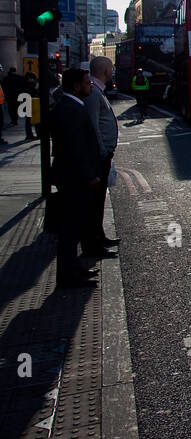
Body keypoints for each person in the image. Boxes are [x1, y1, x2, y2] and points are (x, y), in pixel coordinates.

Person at [48, 68, 103, 288]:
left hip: (72, 176)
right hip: (74, 178)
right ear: (76, 86)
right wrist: (90, 176)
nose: (90, 85)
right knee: (70, 229)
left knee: (75, 227)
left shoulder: (71, 106)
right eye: (87, 83)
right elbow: (75, 148)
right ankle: (68, 276)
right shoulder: (70, 109)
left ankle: (74, 269)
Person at [85, 57, 120, 256]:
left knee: (99, 200)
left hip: (103, 154)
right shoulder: (93, 92)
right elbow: (93, 125)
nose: (113, 71)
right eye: (111, 68)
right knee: (94, 201)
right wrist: (101, 151)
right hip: (98, 156)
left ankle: (99, 235)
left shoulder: (97, 90)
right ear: (106, 70)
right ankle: (94, 243)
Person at [18, 71, 38, 142]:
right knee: (30, 120)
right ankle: (30, 135)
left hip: (29, 104)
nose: (34, 80)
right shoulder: (29, 85)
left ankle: (31, 135)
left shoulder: (25, 84)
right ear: (29, 78)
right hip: (29, 104)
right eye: (33, 78)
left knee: (31, 120)